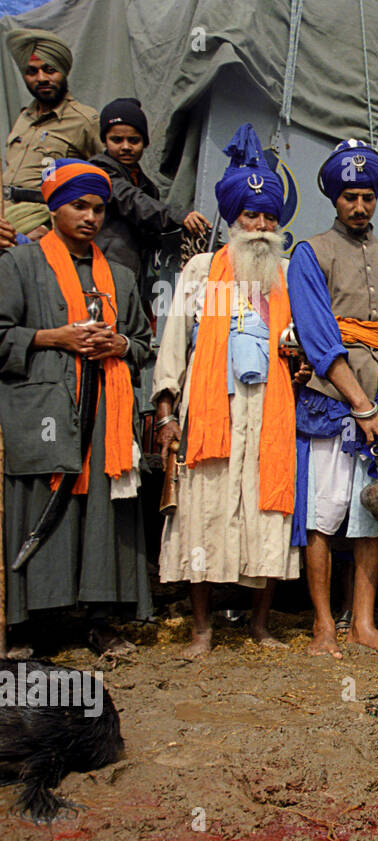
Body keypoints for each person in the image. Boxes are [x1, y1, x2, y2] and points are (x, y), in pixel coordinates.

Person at [151, 125, 297, 658]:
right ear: (232, 220)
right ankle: (202, 629)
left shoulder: (286, 274)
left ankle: (259, 625)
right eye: (249, 216)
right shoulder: (199, 271)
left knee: (268, 512)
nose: (259, 226)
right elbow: (173, 346)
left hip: (271, 412)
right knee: (202, 511)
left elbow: (305, 345)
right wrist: (166, 412)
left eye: (267, 217)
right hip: (210, 410)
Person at [0, 159, 151, 653]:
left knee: (104, 515)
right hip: (43, 409)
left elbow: (143, 342)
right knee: (41, 508)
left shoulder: (121, 277)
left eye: (98, 209)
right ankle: (33, 626)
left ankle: (100, 620)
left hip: (106, 411)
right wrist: (53, 337)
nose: (90, 217)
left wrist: (121, 346)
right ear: (54, 207)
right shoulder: (18, 266)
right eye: (78, 206)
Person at [288, 138, 378, 659]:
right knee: (323, 512)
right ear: (335, 200)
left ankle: (363, 623)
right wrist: (360, 405)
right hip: (332, 400)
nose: (359, 206)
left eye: (367, 196)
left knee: (373, 514)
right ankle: (323, 624)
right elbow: (320, 339)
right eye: (350, 197)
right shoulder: (310, 252)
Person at [88, 97, 209, 283]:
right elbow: (131, 200)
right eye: (117, 140)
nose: (126, 147)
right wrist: (178, 216)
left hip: (134, 273)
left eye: (134, 140)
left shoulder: (148, 187)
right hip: (102, 267)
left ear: (145, 143)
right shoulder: (99, 172)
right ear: (104, 140)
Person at [3, 29, 100, 237]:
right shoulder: (24, 118)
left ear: (63, 71)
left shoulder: (84, 120)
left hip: (40, 223)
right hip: (7, 215)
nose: (42, 78)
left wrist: (51, 228)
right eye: (32, 72)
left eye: (50, 70)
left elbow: (106, 182)